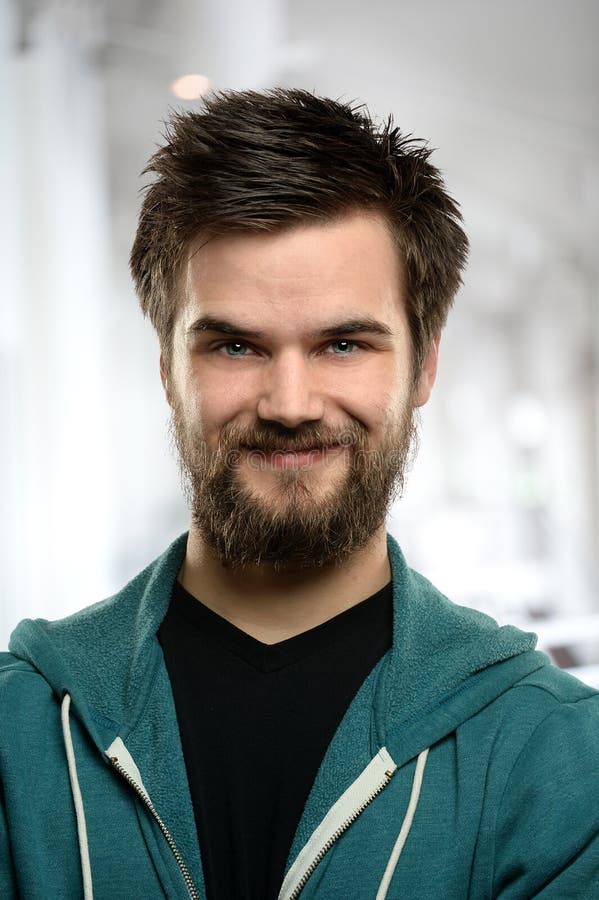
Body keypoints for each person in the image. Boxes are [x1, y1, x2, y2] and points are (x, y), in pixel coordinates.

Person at [1, 88, 598, 900]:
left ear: (422, 366)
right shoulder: (17, 735)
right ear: (167, 371)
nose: (289, 403)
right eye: (236, 345)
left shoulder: (557, 758)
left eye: (343, 343)